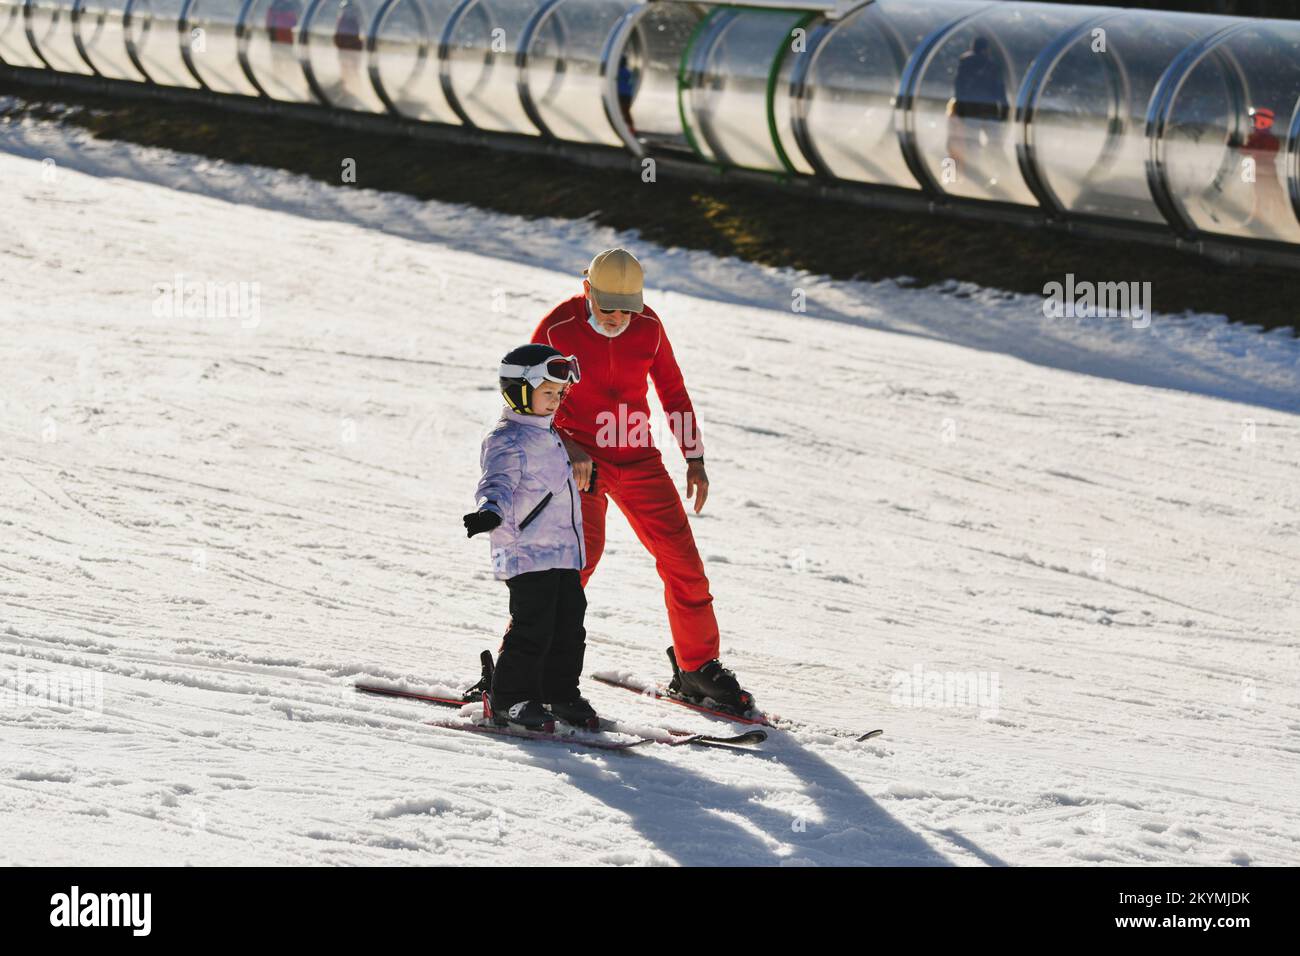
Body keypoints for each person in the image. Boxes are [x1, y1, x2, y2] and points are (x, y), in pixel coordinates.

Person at [531, 248, 754, 714]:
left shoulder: (649, 328)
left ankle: (696, 667)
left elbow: (673, 391)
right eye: (606, 306)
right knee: (575, 565)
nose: (616, 318)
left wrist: (694, 456)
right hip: (579, 459)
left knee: (683, 562)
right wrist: (565, 446)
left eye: (626, 308)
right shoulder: (558, 329)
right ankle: (526, 668)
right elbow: (528, 396)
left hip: (638, 459)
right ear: (587, 290)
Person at [462, 344, 596, 732]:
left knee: (569, 625)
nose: (556, 401)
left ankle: (559, 692)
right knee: (533, 626)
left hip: (563, 553)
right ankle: (510, 699)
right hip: (524, 552)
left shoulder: (549, 434)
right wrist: (489, 509)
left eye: (559, 394)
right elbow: (497, 482)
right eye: (548, 393)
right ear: (520, 391)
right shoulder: (508, 438)